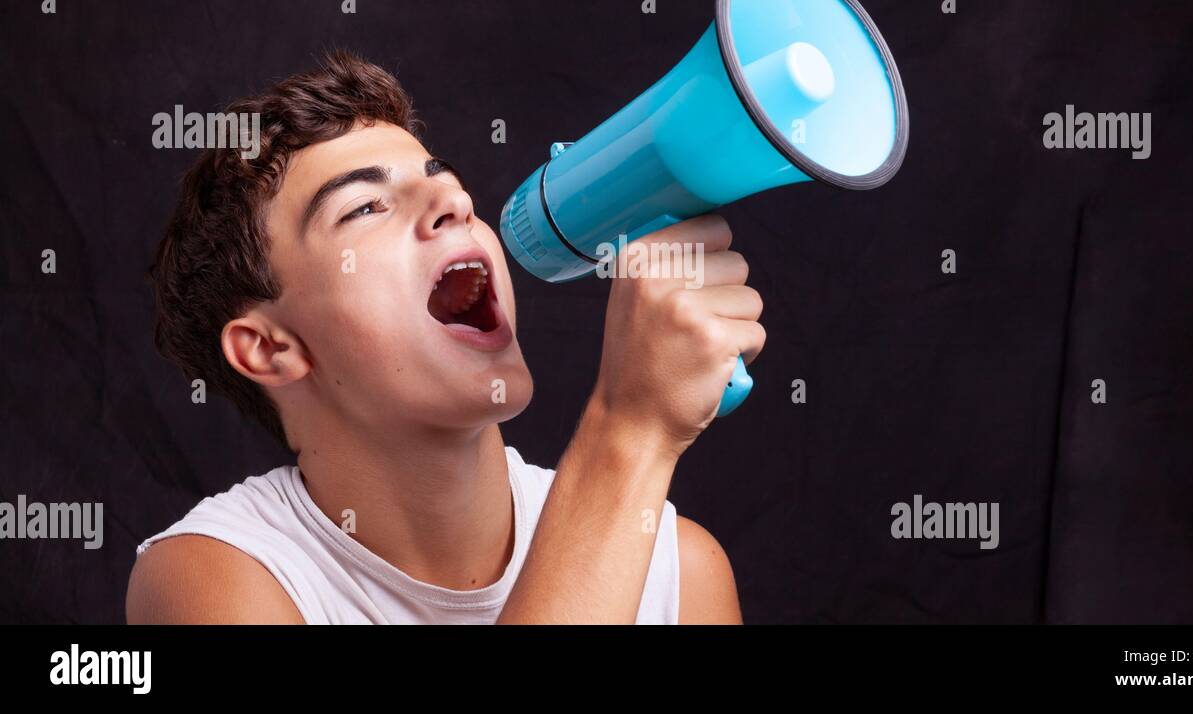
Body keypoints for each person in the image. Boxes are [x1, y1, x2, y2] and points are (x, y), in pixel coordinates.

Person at [125, 50, 764, 624]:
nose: (454, 204)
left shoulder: (678, 574)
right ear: (270, 348)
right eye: (366, 207)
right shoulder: (214, 576)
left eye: (446, 182)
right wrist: (631, 430)